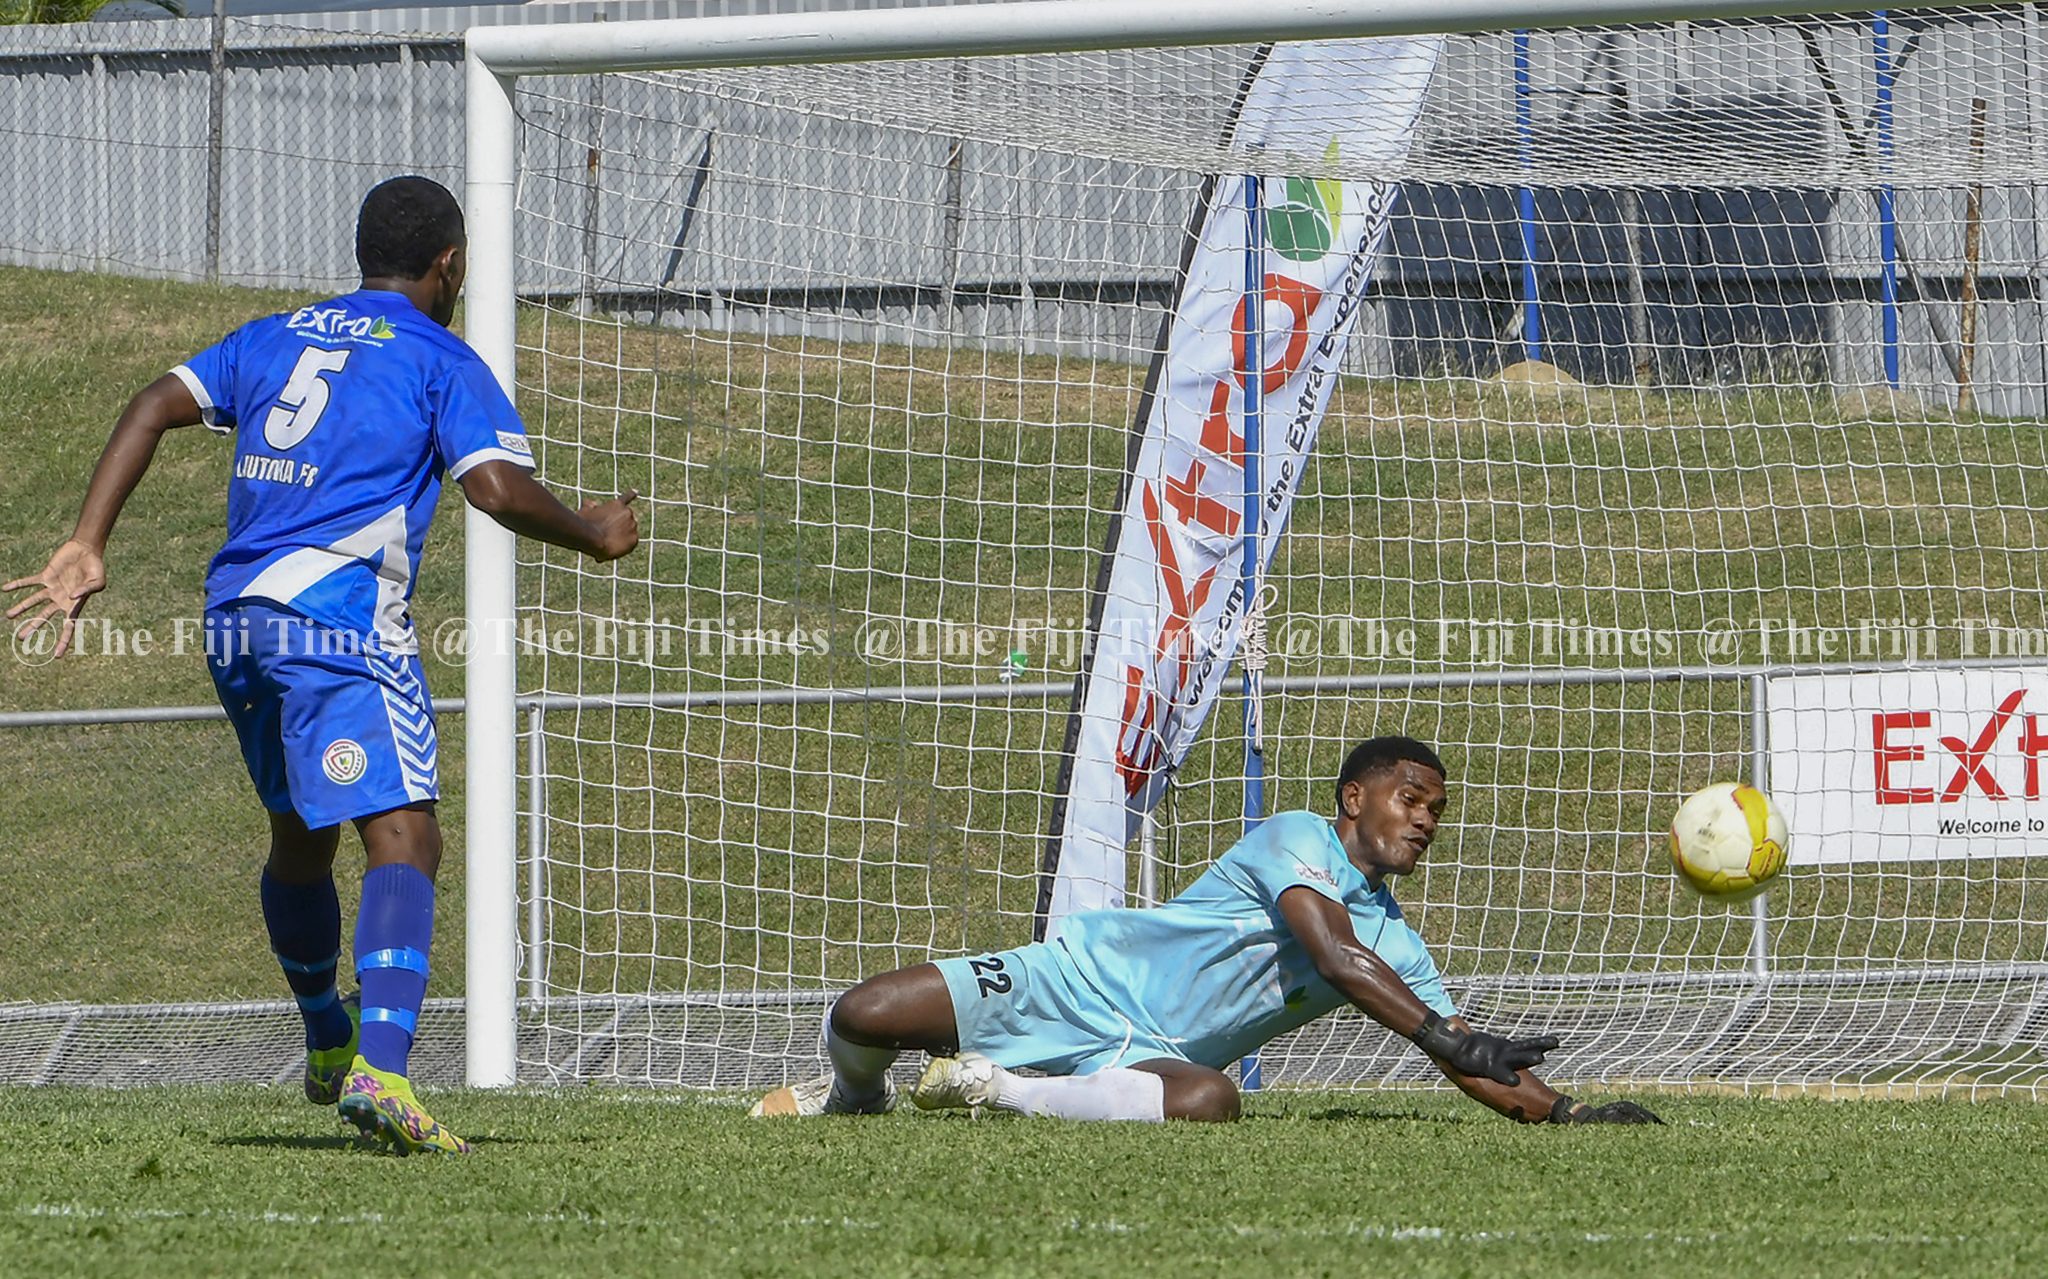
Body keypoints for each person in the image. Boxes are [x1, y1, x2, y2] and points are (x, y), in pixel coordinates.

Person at [6, 176, 640, 1155]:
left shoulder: (273, 335)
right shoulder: (439, 355)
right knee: (405, 837)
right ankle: (381, 1072)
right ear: (449, 266)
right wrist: (592, 531)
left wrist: (89, 541)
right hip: (332, 621)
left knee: (300, 831)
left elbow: (151, 403)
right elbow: (497, 488)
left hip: (236, 622)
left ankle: (323, 1032)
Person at [753, 736, 1661, 1126]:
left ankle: (998, 1089)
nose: (1425, 820)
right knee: (865, 1011)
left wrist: (1565, 1109)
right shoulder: (1296, 837)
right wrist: (1439, 1029)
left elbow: (1472, 1062)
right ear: (1356, 799)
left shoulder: (1404, 945)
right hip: (1078, 977)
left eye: (1437, 811)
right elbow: (1335, 955)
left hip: (1153, 1054)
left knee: (1210, 1103)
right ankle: (854, 1099)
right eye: (1410, 799)